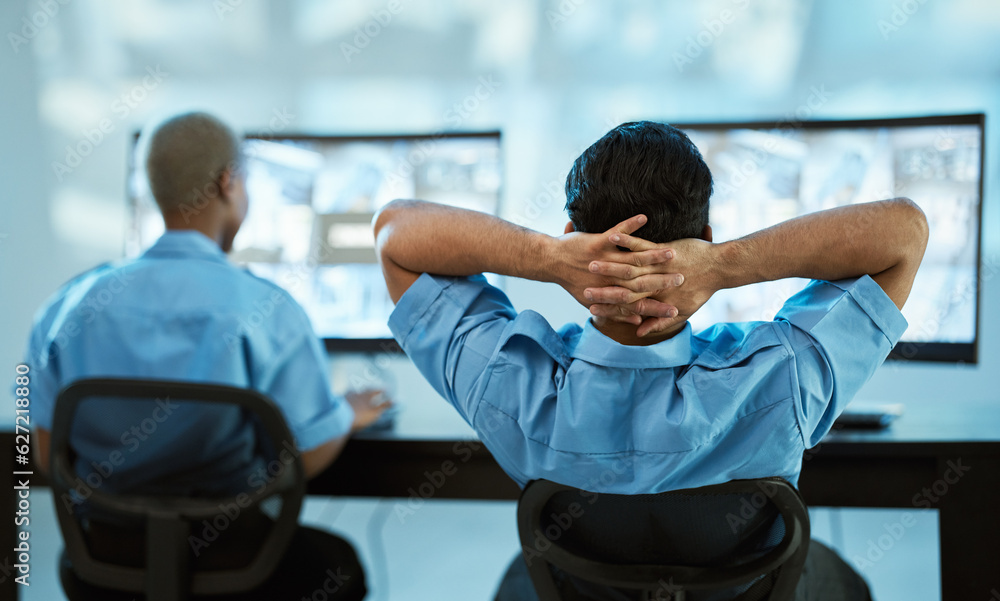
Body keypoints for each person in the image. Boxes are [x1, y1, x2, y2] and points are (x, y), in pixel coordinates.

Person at [373, 121, 928, 600]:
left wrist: (545, 258)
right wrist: (726, 265)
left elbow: (395, 234)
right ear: (705, 238)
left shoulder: (507, 382)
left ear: (573, 237)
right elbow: (904, 231)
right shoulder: (781, 378)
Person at [25, 112, 387, 599]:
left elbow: (46, 453)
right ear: (228, 183)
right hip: (236, 564)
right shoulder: (270, 310)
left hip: (107, 563)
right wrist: (346, 412)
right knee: (337, 568)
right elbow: (304, 455)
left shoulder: (66, 307)